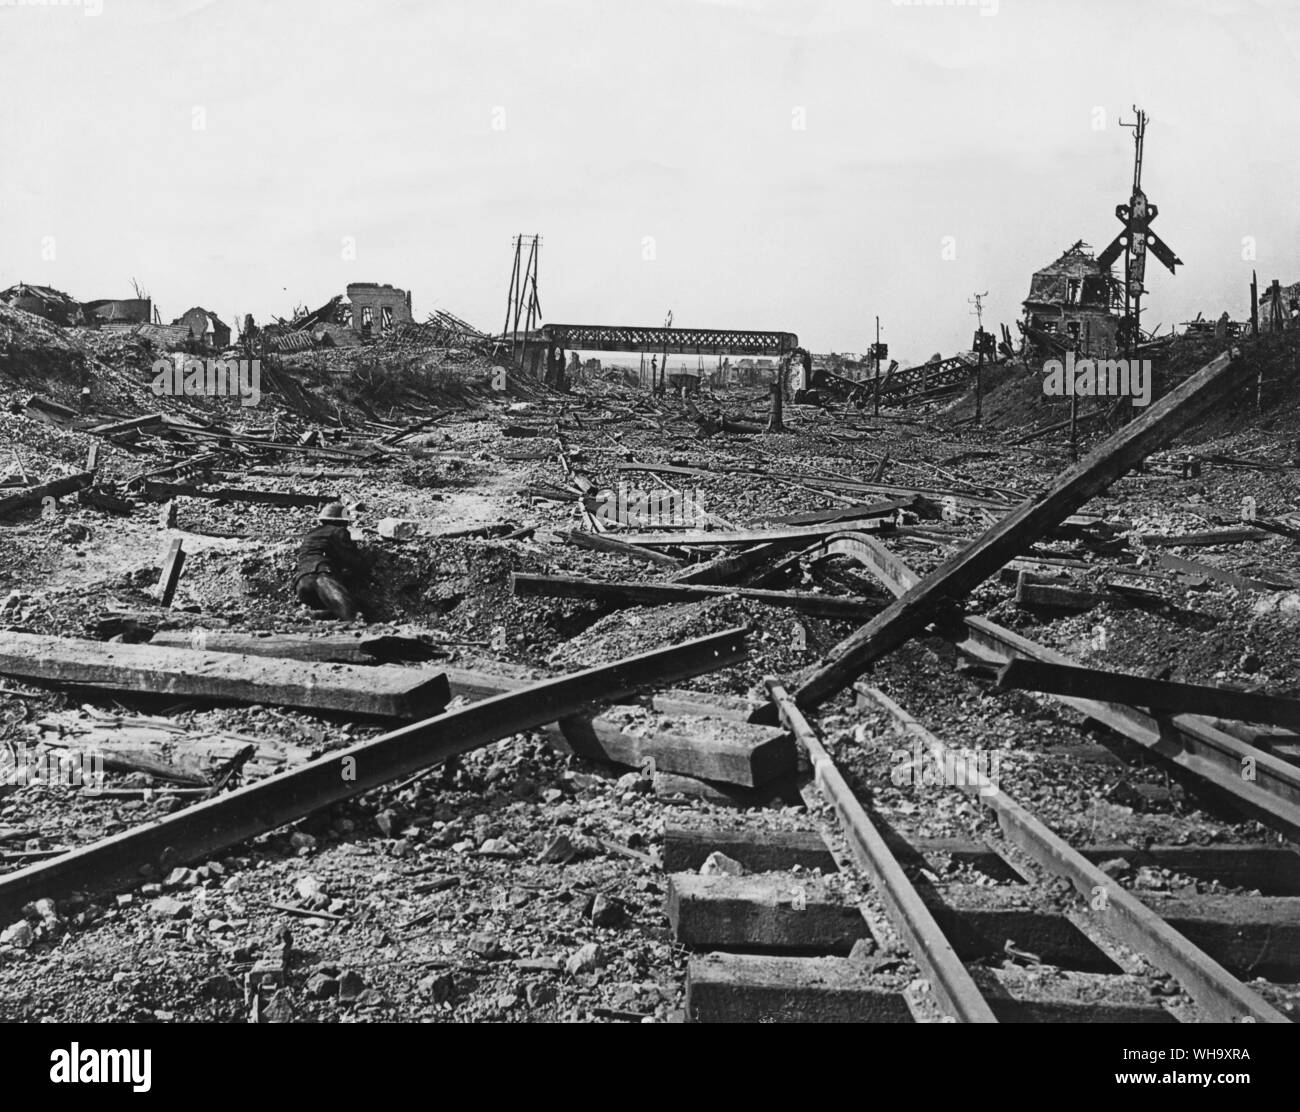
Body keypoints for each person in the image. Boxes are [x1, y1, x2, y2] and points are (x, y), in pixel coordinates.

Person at [293, 502, 368, 620]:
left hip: (301, 583)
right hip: (322, 578)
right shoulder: (339, 531)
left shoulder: (311, 534)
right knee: (355, 614)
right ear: (342, 521)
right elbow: (353, 561)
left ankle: (313, 615)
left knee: (338, 610)